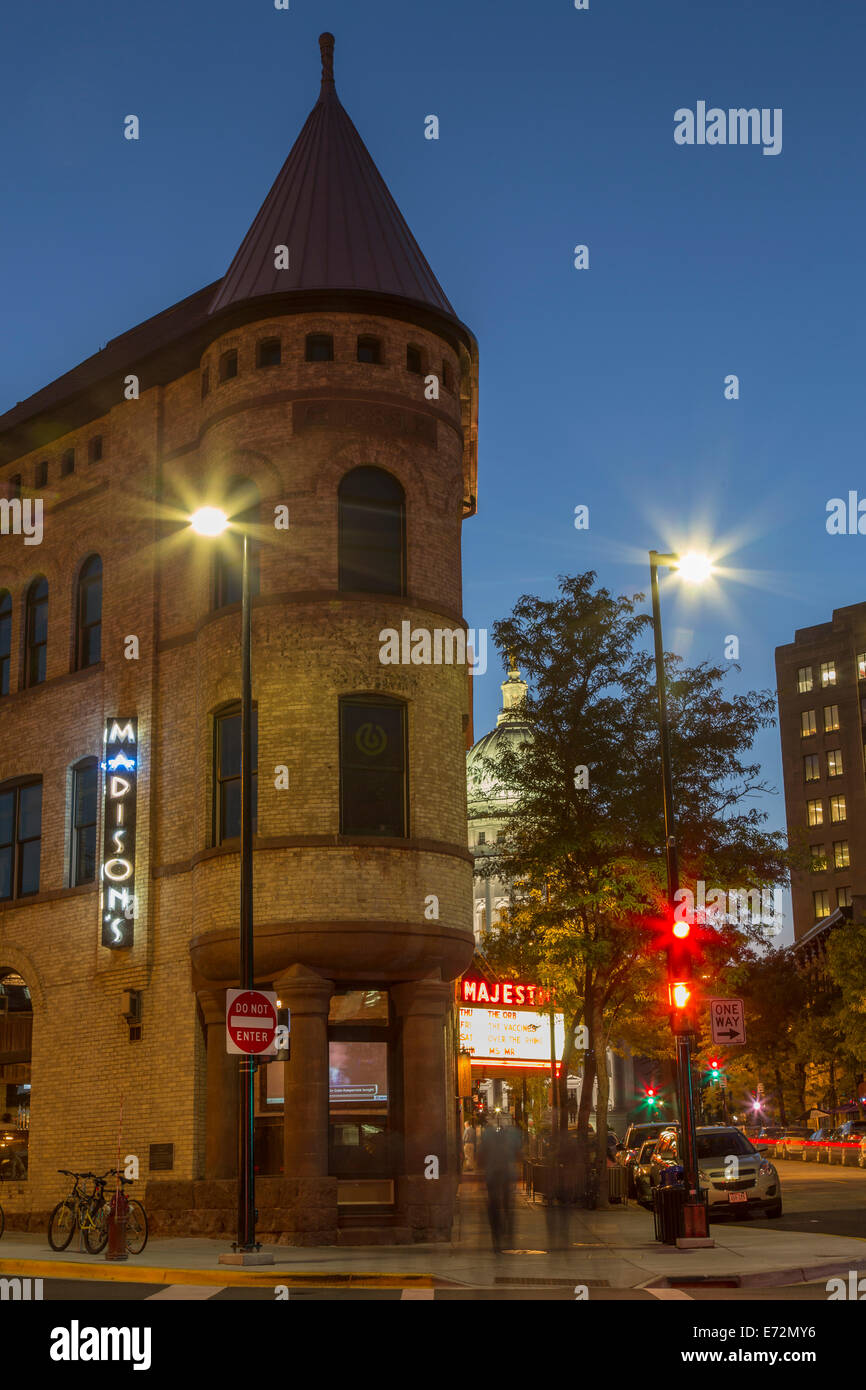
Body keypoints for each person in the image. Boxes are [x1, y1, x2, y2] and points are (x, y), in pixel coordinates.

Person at [479, 1119, 518, 1253]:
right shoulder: (507, 1141)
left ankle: (497, 1232)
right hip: (504, 1175)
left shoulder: (489, 1140)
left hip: (494, 1176)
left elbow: (481, 1155)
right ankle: (505, 1227)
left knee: (494, 1203)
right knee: (505, 1202)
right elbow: (516, 1154)